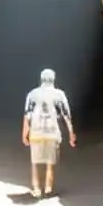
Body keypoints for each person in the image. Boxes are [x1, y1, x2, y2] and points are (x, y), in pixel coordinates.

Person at [22, 68, 76, 198]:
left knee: (35, 162)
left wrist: (24, 133)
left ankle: (36, 189)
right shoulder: (59, 94)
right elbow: (66, 115)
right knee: (50, 163)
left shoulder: (32, 94)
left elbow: (27, 115)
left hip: (36, 131)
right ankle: (48, 189)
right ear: (53, 79)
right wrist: (71, 134)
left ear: (41, 79)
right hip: (52, 132)